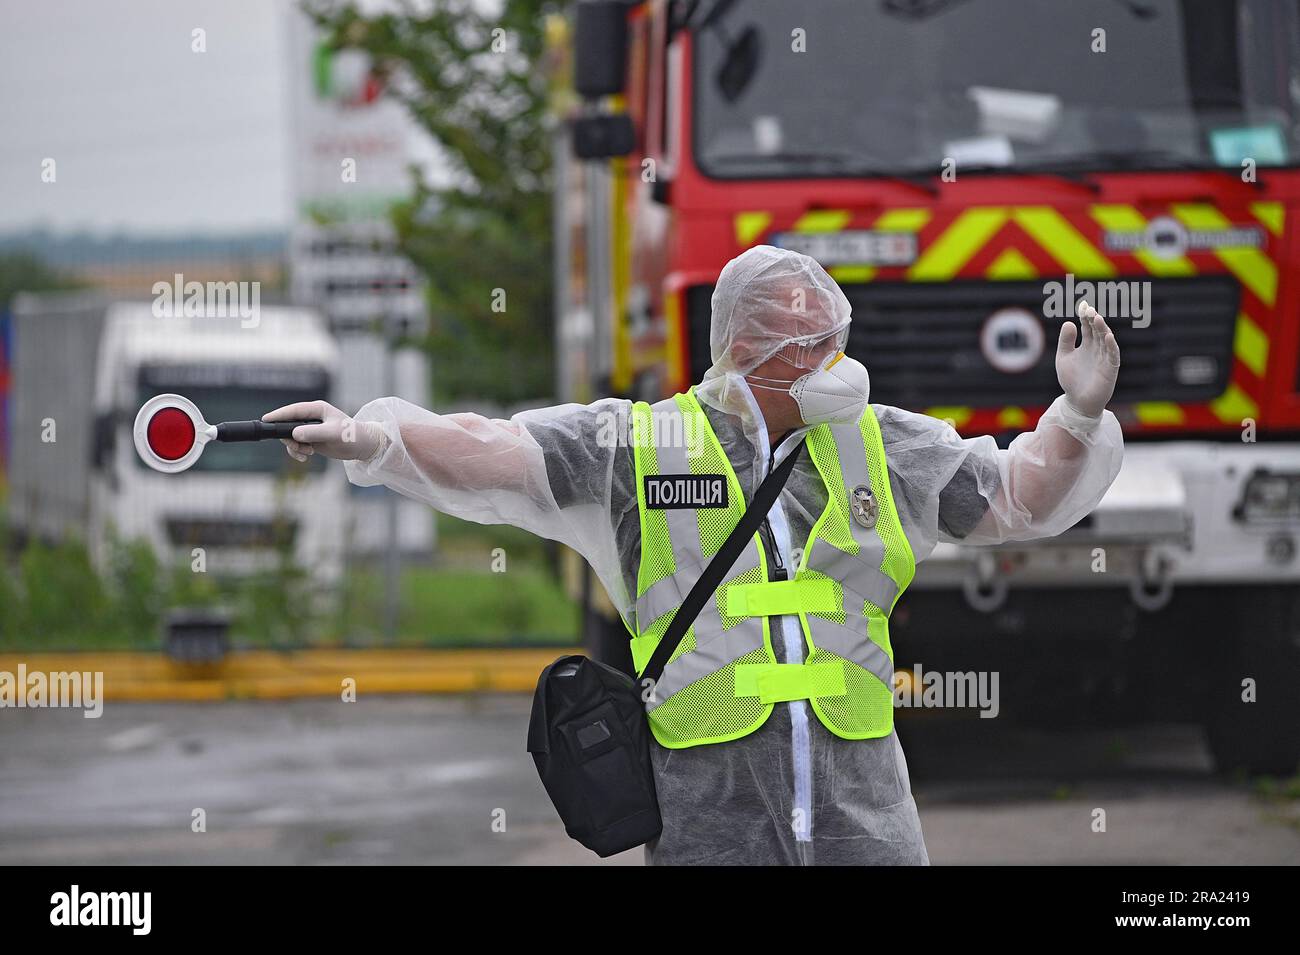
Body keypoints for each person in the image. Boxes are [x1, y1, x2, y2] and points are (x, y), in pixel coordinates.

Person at [264, 245, 1123, 865]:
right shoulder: (636, 447)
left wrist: (1077, 416)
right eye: (809, 348)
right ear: (746, 354)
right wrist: (368, 438)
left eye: (834, 339)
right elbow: (491, 450)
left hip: (865, 817)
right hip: (712, 822)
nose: (836, 363)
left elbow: (1017, 496)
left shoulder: (881, 447)